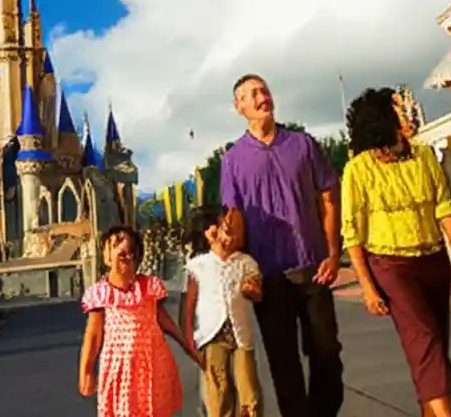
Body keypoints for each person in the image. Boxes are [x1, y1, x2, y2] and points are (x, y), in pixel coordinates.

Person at [341, 87, 451, 417]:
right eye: (400, 109)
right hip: (391, 266)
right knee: (424, 341)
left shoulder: (424, 154)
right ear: (382, 120)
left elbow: (443, 203)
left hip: (433, 259)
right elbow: (352, 233)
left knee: (436, 346)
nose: (409, 112)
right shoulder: (358, 169)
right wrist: (368, 288)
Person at [220, 73, 344, 417]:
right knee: (283, 365)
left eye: (265, 90)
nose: (263, 97)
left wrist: (334, 252)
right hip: (269, 278)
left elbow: (329, 198)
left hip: (314, 267)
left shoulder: (303, 144)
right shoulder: (232, 161)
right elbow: (234, 219)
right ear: (239, 106)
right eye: (253, 94)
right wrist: (237, 266)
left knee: (327, 355)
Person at [79, 225, 200, 417]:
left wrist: (187, 345)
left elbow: (164, 321)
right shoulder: (101, 294)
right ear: (106, 257)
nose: (125, 257)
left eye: (130, 254)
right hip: (119, 368)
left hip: (153, 364)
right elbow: (93, 336)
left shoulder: (149, 287)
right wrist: (86, 371)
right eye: (118, 250)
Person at [181, 205, 264, 417]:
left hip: (240, 335)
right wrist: (189, 340)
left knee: (249, 393)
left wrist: (252, 290)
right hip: (211, 336)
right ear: (211, 234)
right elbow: (188, 305)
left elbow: (257, 292)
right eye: (224, 231)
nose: (228, 237)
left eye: (233, 233)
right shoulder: (197, 265)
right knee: (217, 396)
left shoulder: (246, 262)